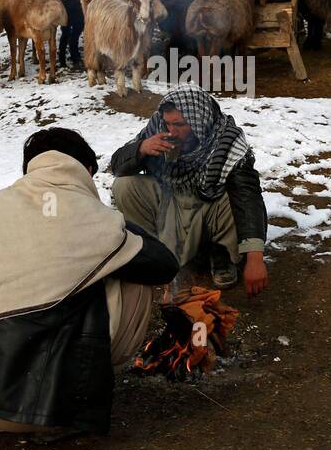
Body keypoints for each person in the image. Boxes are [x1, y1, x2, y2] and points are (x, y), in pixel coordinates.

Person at [0, 128, 179, 437]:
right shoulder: (91, 218)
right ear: (85, 171)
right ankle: (65, 408)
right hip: (38, 412)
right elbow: (163, 265)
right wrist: (115, 222)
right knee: (128, 271)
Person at [109, 85, 269, 297]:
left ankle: (221, 254)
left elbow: (248, 196)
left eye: (179, 124)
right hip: (171, 202)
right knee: (125, 185)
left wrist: (255, 259)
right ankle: (151, 249)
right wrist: (141, 149)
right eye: (167, 123)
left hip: (209, 206)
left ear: (198, 120)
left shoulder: (226, 140)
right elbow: (117, 166)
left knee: (233, 197)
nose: (171, 131)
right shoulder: (157, 129)